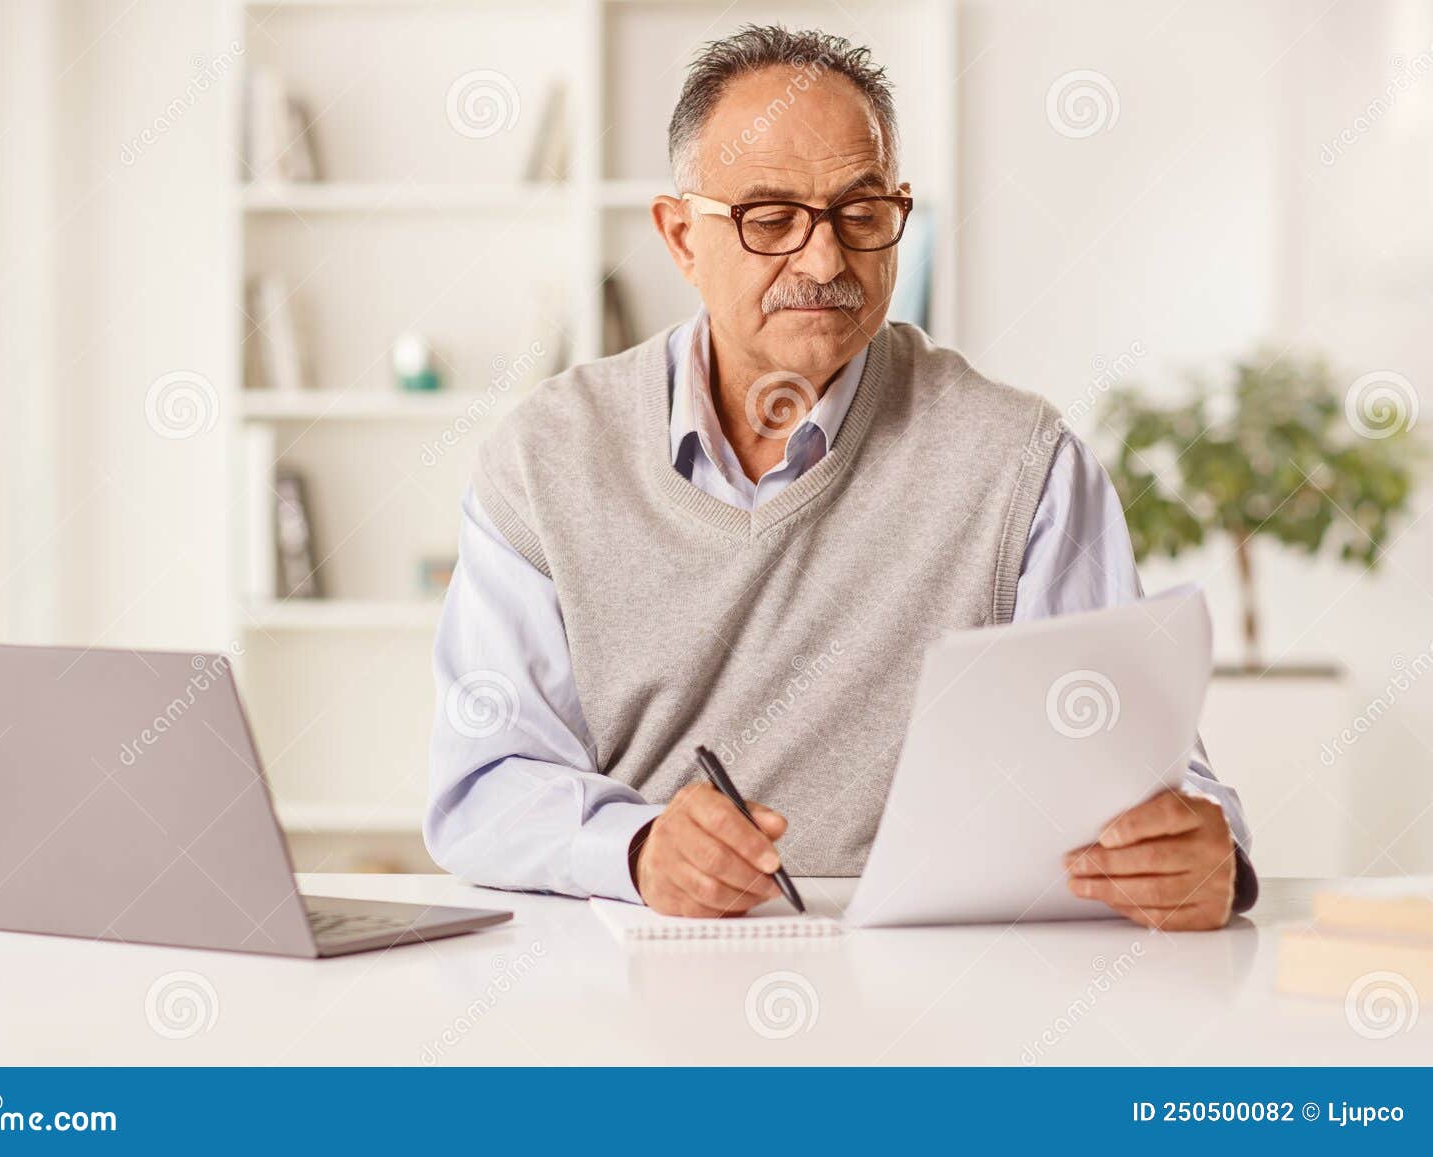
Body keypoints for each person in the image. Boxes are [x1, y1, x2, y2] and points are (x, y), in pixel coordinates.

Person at [426, 25, 1256, 929]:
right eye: (770, 219)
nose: (823, 262)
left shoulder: (1025, 463)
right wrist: (635, 848)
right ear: (680, 237)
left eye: (860, 215)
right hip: (648, 967)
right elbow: (485, 784)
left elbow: (1143, 770)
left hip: (941, 979)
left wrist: (1208, 852)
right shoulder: (547, 458)